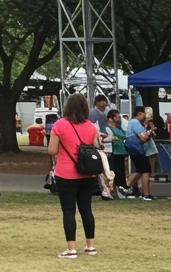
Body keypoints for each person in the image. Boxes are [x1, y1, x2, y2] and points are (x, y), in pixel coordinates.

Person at [47, 92, 100, 258]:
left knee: (69, 211)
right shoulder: (91, 126)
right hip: (87, 173)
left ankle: (71, 248)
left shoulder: (60, 125)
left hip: (66, 173)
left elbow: (52, 150)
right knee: (86, 209)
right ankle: (90, 245)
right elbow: (95, 146)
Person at [125, 106, 155, 199]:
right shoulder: (135, 122)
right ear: (140, 114)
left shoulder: (135, 123)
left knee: (140, 170)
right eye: (144, 114)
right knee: (146, 170)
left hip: (134, 148)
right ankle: (146, 194)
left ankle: (126, 185)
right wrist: (150, 131)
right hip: (136, 148)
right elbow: (143, 138)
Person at [106, 111, 129, 197]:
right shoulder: (108, 128)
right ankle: (115, 188)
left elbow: (124, 134)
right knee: (115, 171)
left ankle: (122, 187)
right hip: (114, 152)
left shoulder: (119, 128)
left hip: (121, 151)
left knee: (121, 171)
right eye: (117, 117)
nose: (119, 119)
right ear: (110, 119)